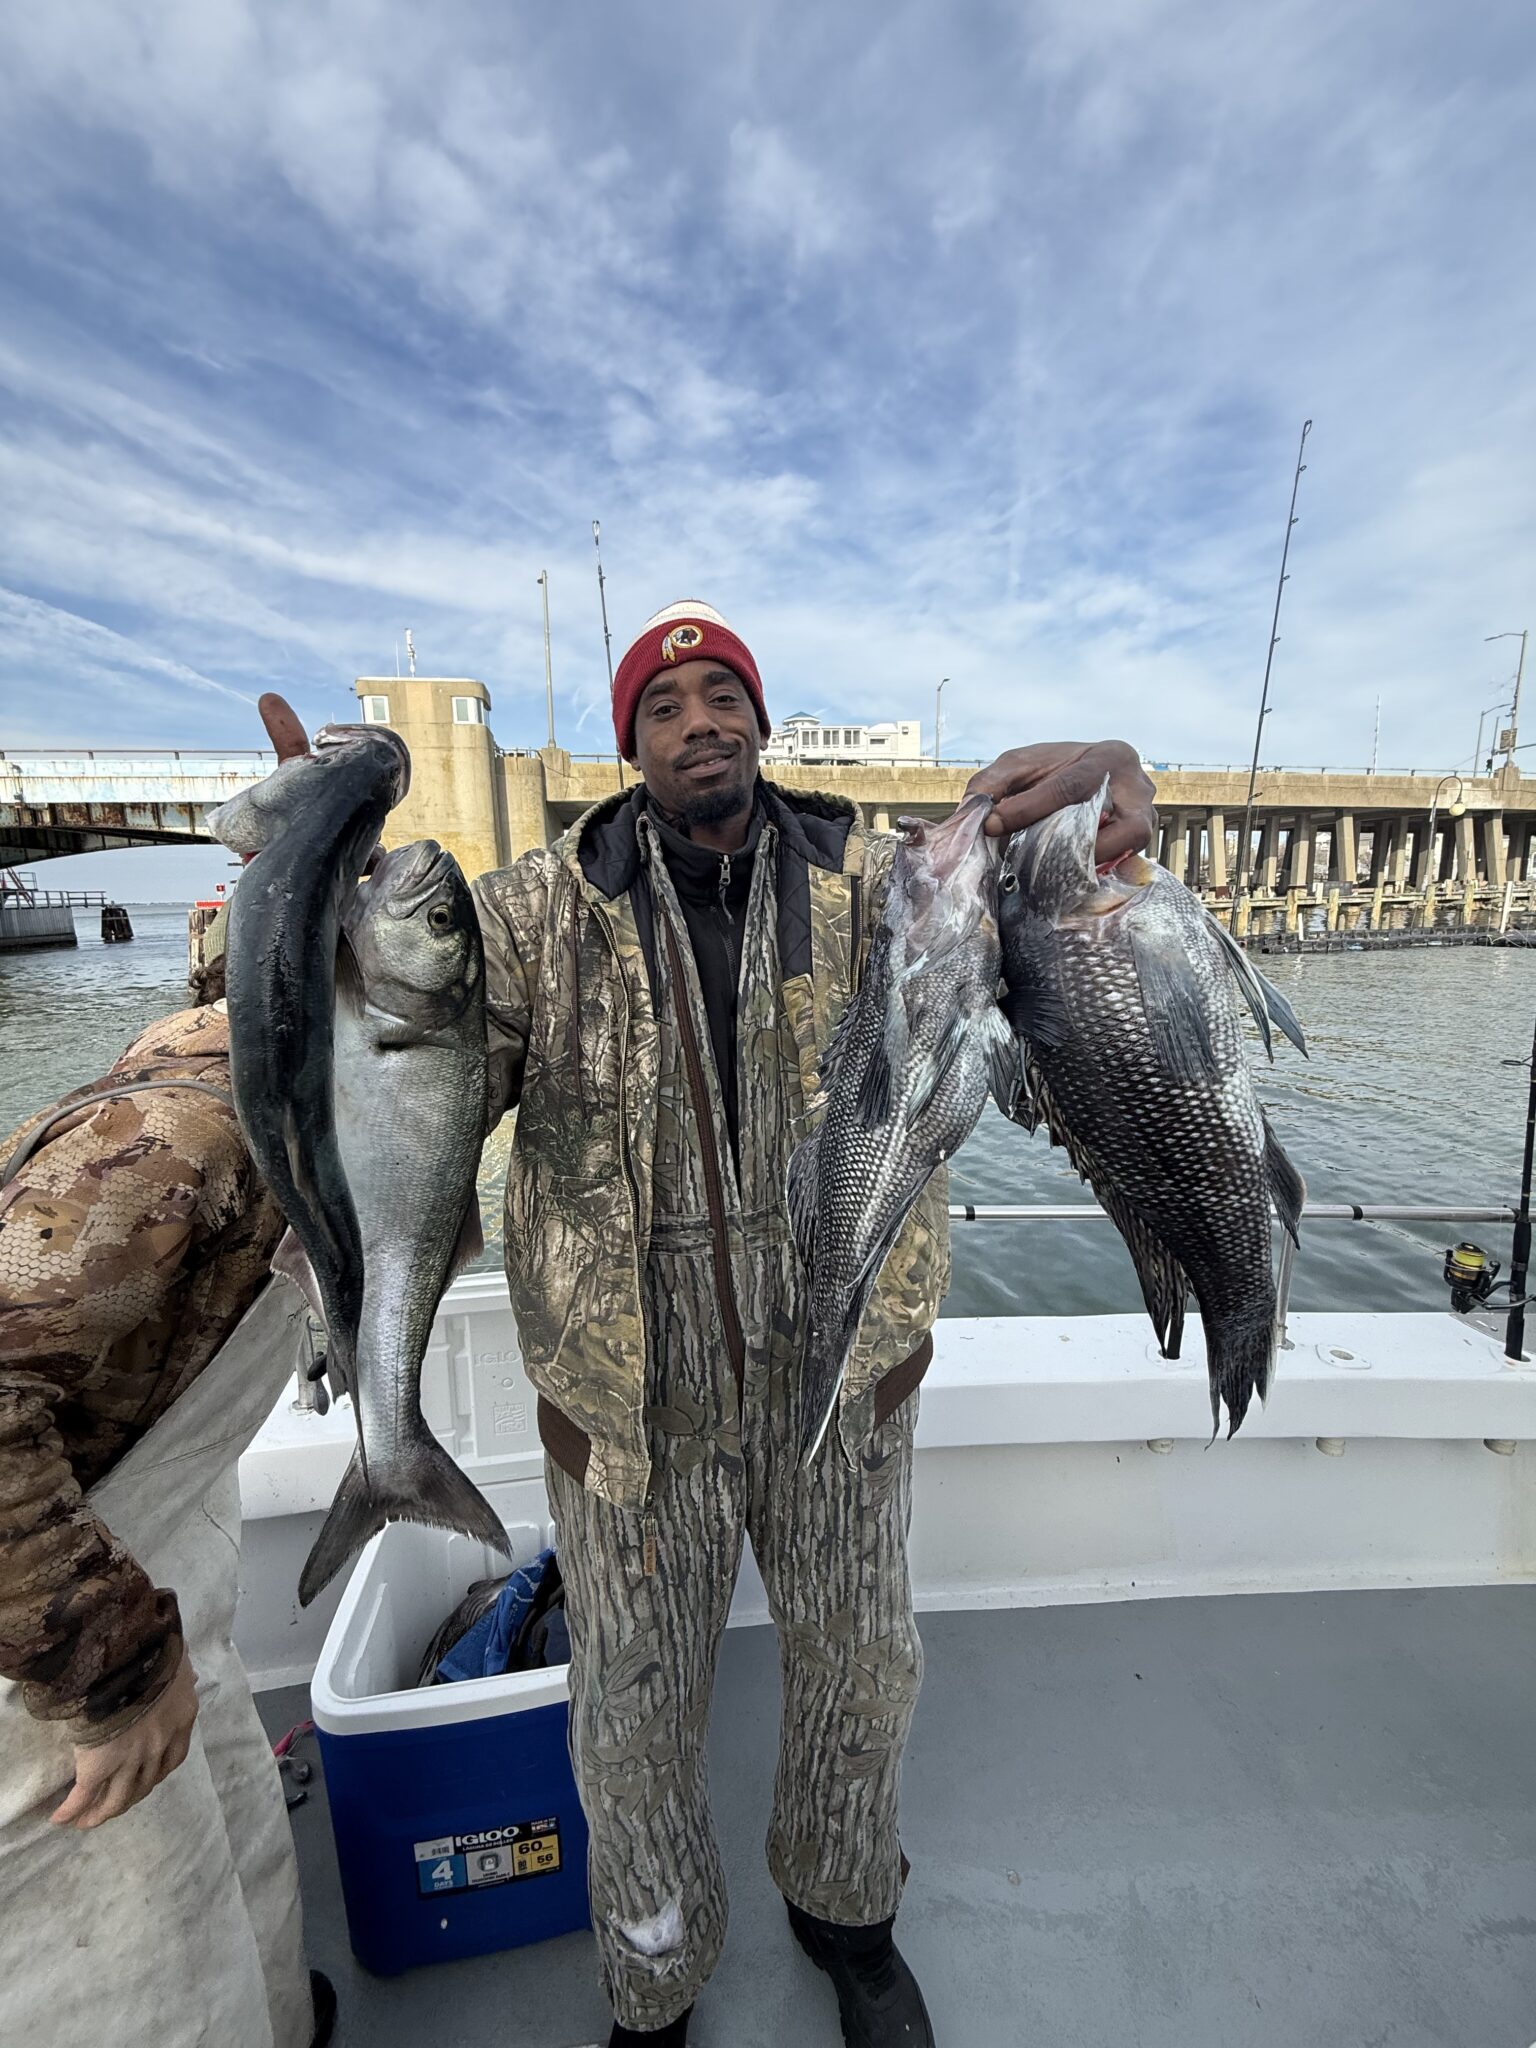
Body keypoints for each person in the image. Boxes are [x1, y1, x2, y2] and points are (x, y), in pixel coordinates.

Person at [465, 602, 1156, 2045]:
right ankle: (654, 1983)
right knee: (631, 1721)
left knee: (862, 1674)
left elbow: (1065, 908)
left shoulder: (878, 884)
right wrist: (303, 905)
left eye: (724, 694)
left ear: (763, 722)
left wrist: (1114, 779)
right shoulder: (536, 914)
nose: (699, 721)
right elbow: (394, 1041)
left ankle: (849, 1919)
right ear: (630, 745)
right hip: (629, 1411)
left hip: (844, 1377)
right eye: (664, 706)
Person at [0, 920, 335, 2048]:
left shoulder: (277, 1071)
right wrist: (115, 1676)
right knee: (157, 1957)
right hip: (44, 1632)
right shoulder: (183, 1137)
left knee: (243, 1849)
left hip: (144, 1562)